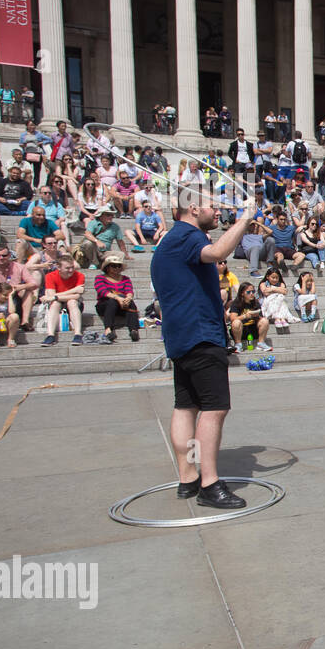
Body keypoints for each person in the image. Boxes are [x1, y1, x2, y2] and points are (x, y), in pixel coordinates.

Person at [149, 199, 255, 509]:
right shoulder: (188, 236)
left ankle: (188, 478)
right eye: (213, 206)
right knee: (214, 408)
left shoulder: (172, 240)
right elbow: (219, 253)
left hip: (181, 335)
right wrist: (246, 218)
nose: (219, 211)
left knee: (186, 405)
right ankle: (209, 483)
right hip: (200, 334)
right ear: (193, 208)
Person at [93, 253, 142, 343]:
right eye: (113, 266)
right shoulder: (100, 278)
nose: (116, 268)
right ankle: (108, 329)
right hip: (104, 305)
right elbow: (102, 291)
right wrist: (118, 298)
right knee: (112, 301)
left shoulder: (125, 279)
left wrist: (128, 298)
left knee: (131, 303)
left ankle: (133, 330)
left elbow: (129, 291)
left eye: (118, 266)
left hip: (122, 304)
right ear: (107, 267)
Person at [39, 255, 86, 347]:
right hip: (58, 303)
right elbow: (53, 295)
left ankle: (78, 333)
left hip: (74, 303)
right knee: (55, 303)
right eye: (67, 268)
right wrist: (74, 290)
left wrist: (55, 297)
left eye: (72, 267)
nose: (71, 270)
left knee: (72, 302)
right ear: (59, 267)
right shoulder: (50, 276)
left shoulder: (80, 275)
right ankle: (50, 335)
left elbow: (76, 296)